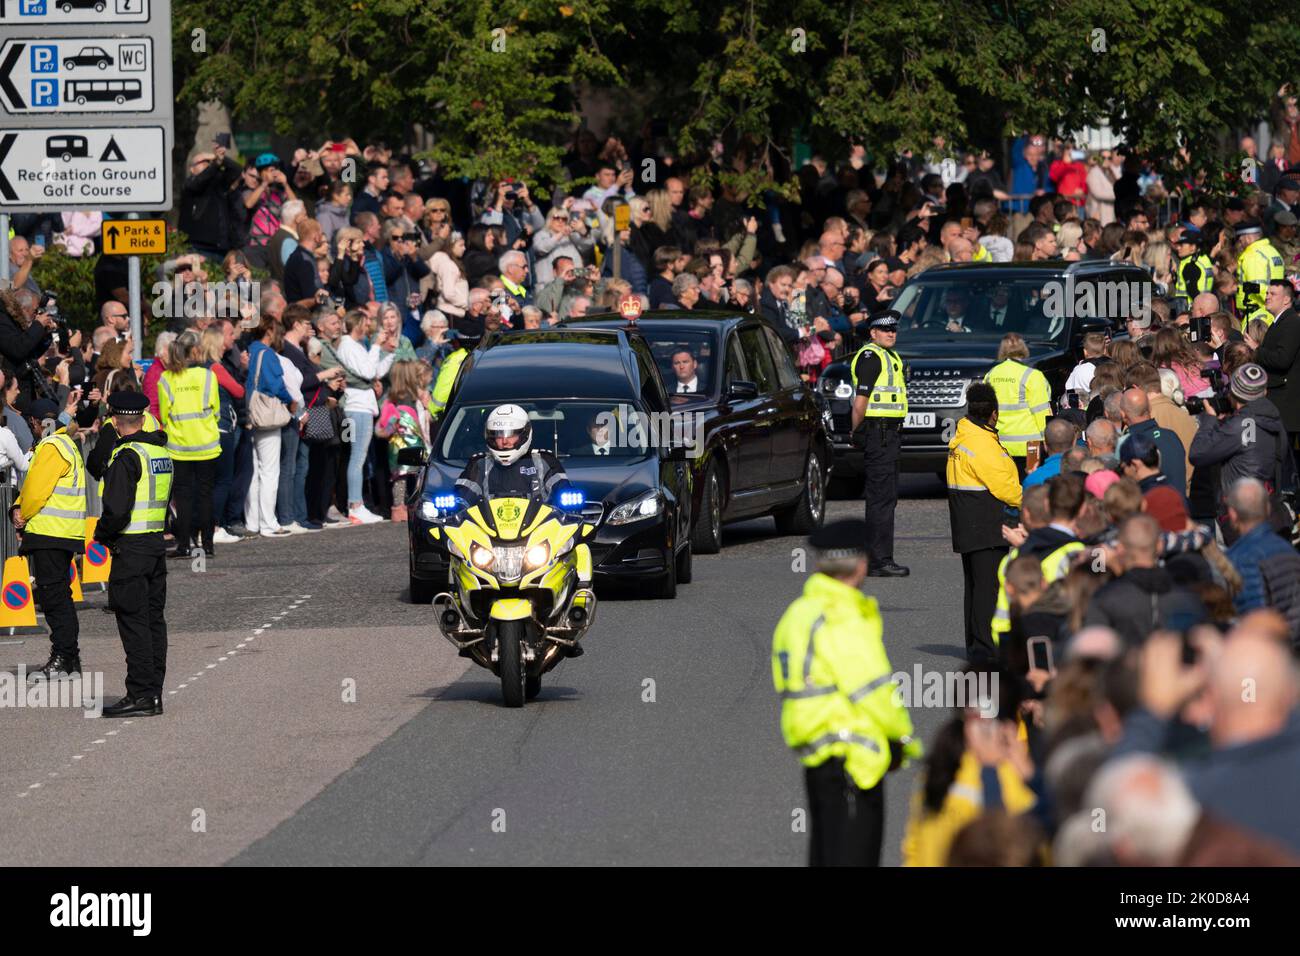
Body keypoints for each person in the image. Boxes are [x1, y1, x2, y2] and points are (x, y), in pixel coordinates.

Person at [771, 518, 921, 866]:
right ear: (861, 564)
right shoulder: (844, 616)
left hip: (816, 752)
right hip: (855, 758)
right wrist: (903, 740)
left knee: (826, 853)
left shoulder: (799, 613)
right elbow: (872, 689)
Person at [95, 391, 172, 718]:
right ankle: (153, 692)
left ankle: (140, 694)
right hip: (155, 546)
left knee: (133, 621)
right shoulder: (159, 451)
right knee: (153, 620)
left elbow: (116, 509)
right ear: (142, 418)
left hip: (130, 548)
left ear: (114, 421)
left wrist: (102, 534)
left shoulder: (126, 456)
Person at [946, 382, 1022, 663]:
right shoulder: (982, 444)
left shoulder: (965, 436)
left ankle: (975, 644)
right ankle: (985, 648)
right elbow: (1006, 488)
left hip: (968, 522)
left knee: (975, 587)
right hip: (987, 524)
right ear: (993, 413)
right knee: (988, 589)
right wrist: (1029, 500)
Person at [12, 399, 85, 681]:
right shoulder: (65, 443)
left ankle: (64, 656)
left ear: (35, 422)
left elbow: (36, 490)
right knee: (58, 595)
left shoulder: (51, 446)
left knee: (55, 598)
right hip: (61, 532)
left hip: (51, 533)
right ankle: (69, 657)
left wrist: (21, 513)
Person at [1189, 363, 1289, 544]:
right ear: (1264, 392)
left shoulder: (1240, 425)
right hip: (1266, 509)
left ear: (1233, 392)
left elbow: (1197, 454)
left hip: (1239, 517)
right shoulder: (1273, 419)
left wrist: (1209, 421)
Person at [1084, 513, 1203, 647]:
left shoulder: (1105, 599)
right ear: (1159, 545)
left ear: (1121, 548)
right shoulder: (1189, 599)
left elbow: (1093, 653)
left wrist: (1103, 567)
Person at [849, 311, 909, 576]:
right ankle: (878, 560)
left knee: (887, 497)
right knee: (880, 499)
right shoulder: (871, 357)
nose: (891, 333)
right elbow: (860, 402)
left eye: (893, 329)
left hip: (890, 433)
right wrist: (857, 432)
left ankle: (882, 557)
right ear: (872, 333)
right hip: (879, 432)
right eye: (885, 330)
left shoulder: (889, 356)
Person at [156, 330, 220, 558]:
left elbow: (164, 415)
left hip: (179, 446)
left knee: (183, 497)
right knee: (205, 495)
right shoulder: (207, 375)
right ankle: (208, 545)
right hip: (207, 444)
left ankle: (184, 544)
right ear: (194, 351)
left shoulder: (166, 379)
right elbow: (216, 409)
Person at [985, 333, 1051, 477]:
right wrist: (1048, 439)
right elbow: (1041, 413)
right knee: (1029, 488)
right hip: (1030, 447)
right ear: (1024, 349)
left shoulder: (991, 375)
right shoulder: (1033, 375)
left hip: (1000, 445)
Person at [1022, 418, 1076, 489]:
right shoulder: (1085, 472)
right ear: (1074, 443)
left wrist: (1033, 476)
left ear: (1045, 445)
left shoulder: (1032, 480)